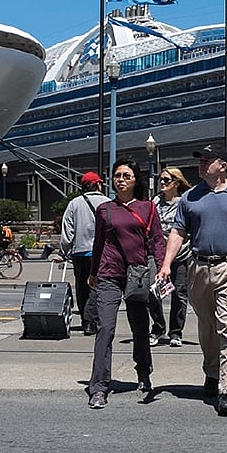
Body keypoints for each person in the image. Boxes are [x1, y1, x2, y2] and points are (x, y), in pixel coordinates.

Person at [157, 143, 227, 417]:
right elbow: (178, 233)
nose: (202, 164)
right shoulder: (191, 197)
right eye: (200, 160)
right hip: (199, 266)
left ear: (223, 165)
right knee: (206, 327)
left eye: (207, 160)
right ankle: (212, 371)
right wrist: (166, 265)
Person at [87, 159, 165, 410]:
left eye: (126, 176)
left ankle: (143, 372)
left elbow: (157, 241)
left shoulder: (147, 207)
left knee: (140, 328)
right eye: (117, 175)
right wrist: (93, 272)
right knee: (106, 328)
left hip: (138, 274)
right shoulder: (105, 209)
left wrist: (163, 270)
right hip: (109, 273)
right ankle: (98, 387)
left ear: (135, 180)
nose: (120, 179)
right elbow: (98, 242)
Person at [60, 171, 109, 335]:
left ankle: (86, 320)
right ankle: (92, 321)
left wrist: (63, 252)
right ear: (97, 184)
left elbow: (68, 230)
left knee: (82, 288)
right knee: (98, 287)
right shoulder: (108, 203)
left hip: (80, 252)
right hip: (102, 253)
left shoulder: (74, 204)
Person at [148, 166, 192, 348]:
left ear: (177, 183)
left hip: (181, 255)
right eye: (161, 180)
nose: (163, 183)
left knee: (179, 294)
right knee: (152, 291)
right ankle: (158, 328)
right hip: (158, 255)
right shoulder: (155, 202)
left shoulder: (185, 203)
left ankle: (176, 332)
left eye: (167, 180)